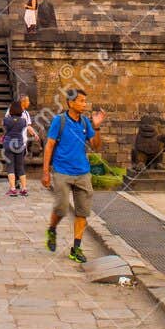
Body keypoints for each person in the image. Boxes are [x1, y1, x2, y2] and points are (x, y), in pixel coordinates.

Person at [41, 88, 106, 263]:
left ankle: (76, 248)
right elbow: (49, 145)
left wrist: (97, 126)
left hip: (82, 172)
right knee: (61, 207)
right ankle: (52, 228)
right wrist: (46, 172)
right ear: (70, 103)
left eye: (85, 101)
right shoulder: (59, 121)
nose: (84, 104)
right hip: (62, 170)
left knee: (82, 212)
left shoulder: (85, 123)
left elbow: (96, 146)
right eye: (81, 101)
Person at [2, 94, 35, 196]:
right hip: (20, 143)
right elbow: (27, 127)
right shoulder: (23, 121)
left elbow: (4, 127)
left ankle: (12, 189)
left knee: (10, 167)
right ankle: (24, 188)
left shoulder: (7, 119)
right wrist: (34, 134)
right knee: (20, 167)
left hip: (9, 143)